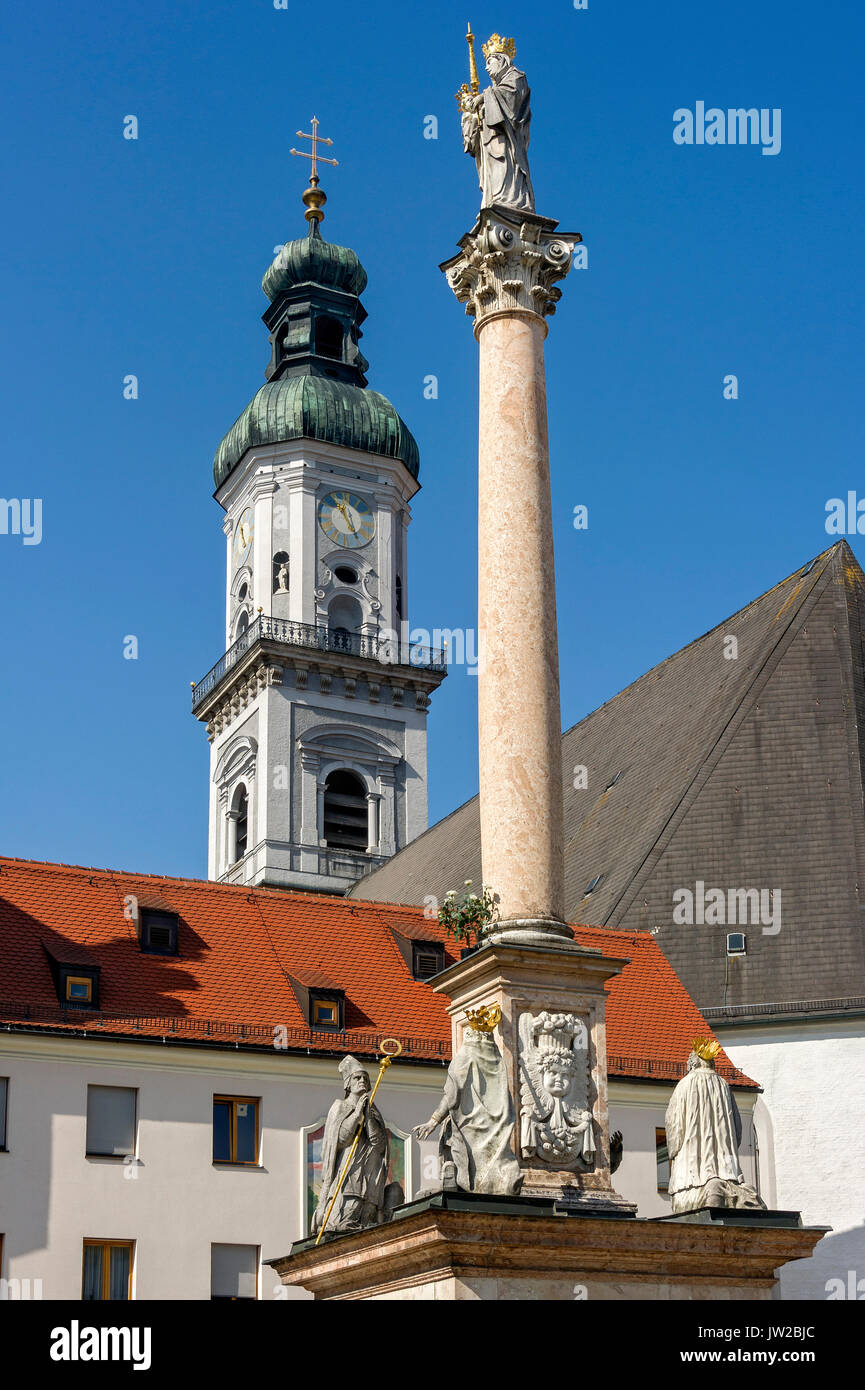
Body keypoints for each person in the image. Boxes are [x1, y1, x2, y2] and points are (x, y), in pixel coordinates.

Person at [414, 1008, 522, 1195]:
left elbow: (451, 1094)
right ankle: (502, 1182)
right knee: (495, 1156)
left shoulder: (465, 1056)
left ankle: (462, 1180)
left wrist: (433, 1120)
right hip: (496, 1122)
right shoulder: (497, 1059)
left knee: (461, 1148)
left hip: (469, 1124)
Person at [665, 1038, 766, 1214]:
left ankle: (703, 1190)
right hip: (726, 1166)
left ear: (693, 1063)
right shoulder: (724, 1085)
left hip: (693, 1166)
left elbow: (674, 1124)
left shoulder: (685, 1084)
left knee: (693, 1185)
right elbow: (736, 1128)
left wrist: (673, 1150)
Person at [311, 1055, 390, 1237]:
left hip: (370, 1169)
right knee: (347, 1211)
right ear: (348, 1084)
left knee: (366, 1217)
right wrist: (356, 1115)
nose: (362, 1081)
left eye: (365, 1078)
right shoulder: (340, 1106)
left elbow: (379, 1144)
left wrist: (368, 1115)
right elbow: (340, 1140)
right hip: (348, 1170)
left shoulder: (372, 1109)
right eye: (357, 1078)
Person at [461, 37, 535, 213]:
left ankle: (510, 202)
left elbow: (511, 101)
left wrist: (483, 97)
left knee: (507, 178)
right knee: (494, 180)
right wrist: (472, 116)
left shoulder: (517, 77)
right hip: (490, 143)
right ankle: (494, 200)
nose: (486, 68)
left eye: (489, 61)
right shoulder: (493, 91)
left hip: (508, 142)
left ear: (501, 60)